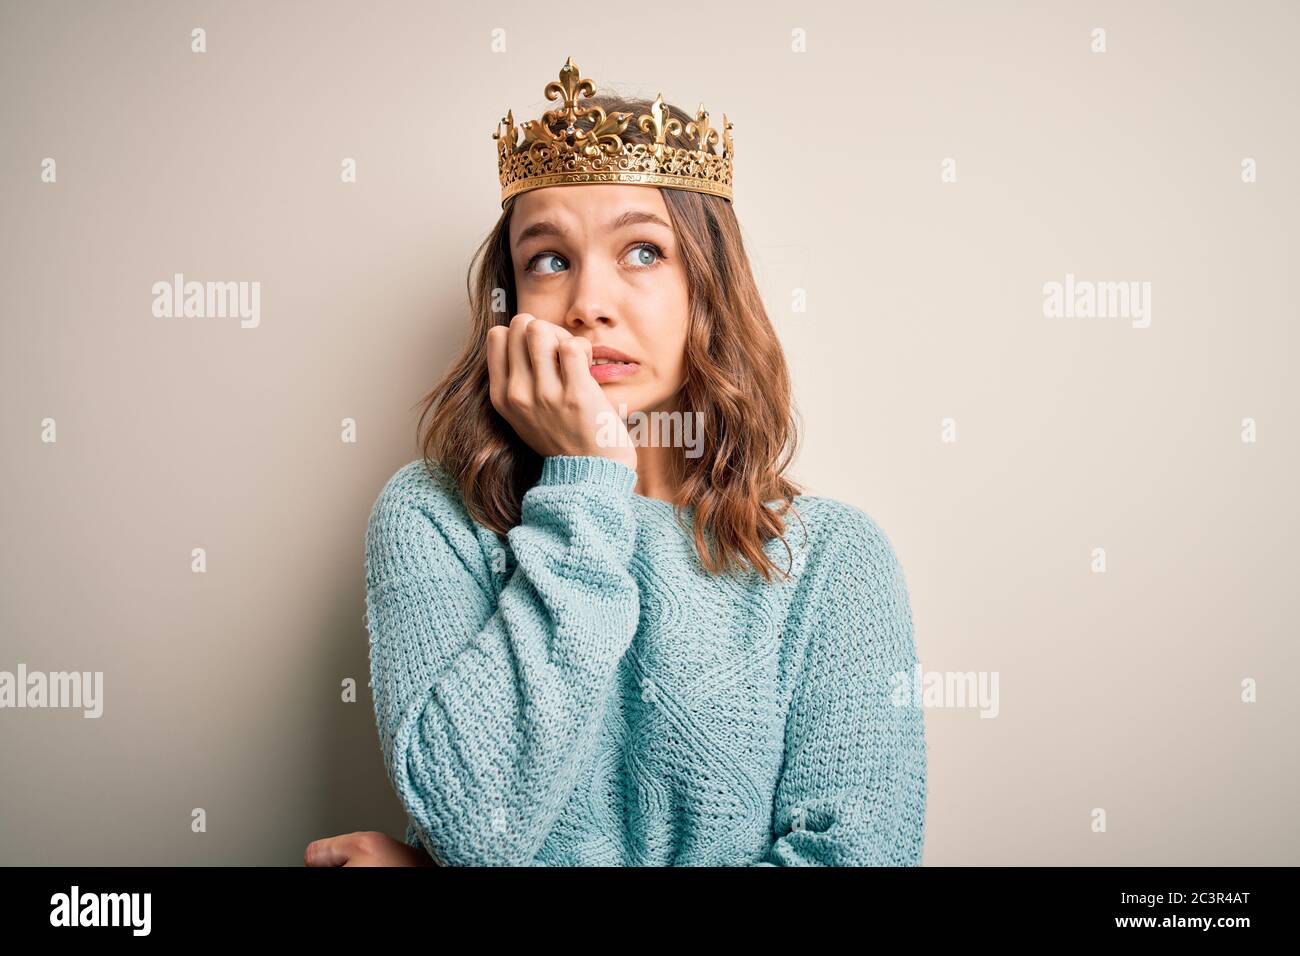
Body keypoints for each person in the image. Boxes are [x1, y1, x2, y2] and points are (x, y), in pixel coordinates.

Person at [305, 56, 926, 868]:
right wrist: (586, 481)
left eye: (642, 253)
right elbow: (474, 824)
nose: (589, 303)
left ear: (707, 288)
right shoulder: (433, 517)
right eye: (550, 260)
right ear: (511, 303)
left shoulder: (833, 561)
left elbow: (856, 857)